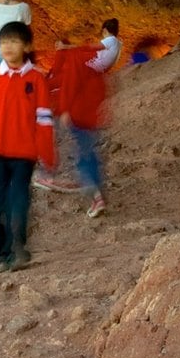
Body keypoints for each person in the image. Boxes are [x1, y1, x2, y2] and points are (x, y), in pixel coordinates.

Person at [0, 19, 55, 272]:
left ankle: (15, 249)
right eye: (4, 41)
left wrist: (46, 153)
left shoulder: (37, 80)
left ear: (26, 46)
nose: (7, 46)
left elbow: (44, 119)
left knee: (18, 203)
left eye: (14, 41)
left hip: (24, 155)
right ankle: (4, 248)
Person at [67, 18, 119, 217]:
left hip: (83, 115)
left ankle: (96, 197)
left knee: (84, 156)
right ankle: (96, 194)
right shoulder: (100, 75)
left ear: (105, 30)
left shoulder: (111, 41)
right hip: (89, 116)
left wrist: (72, 48)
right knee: (87, 153)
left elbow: (94, 47)